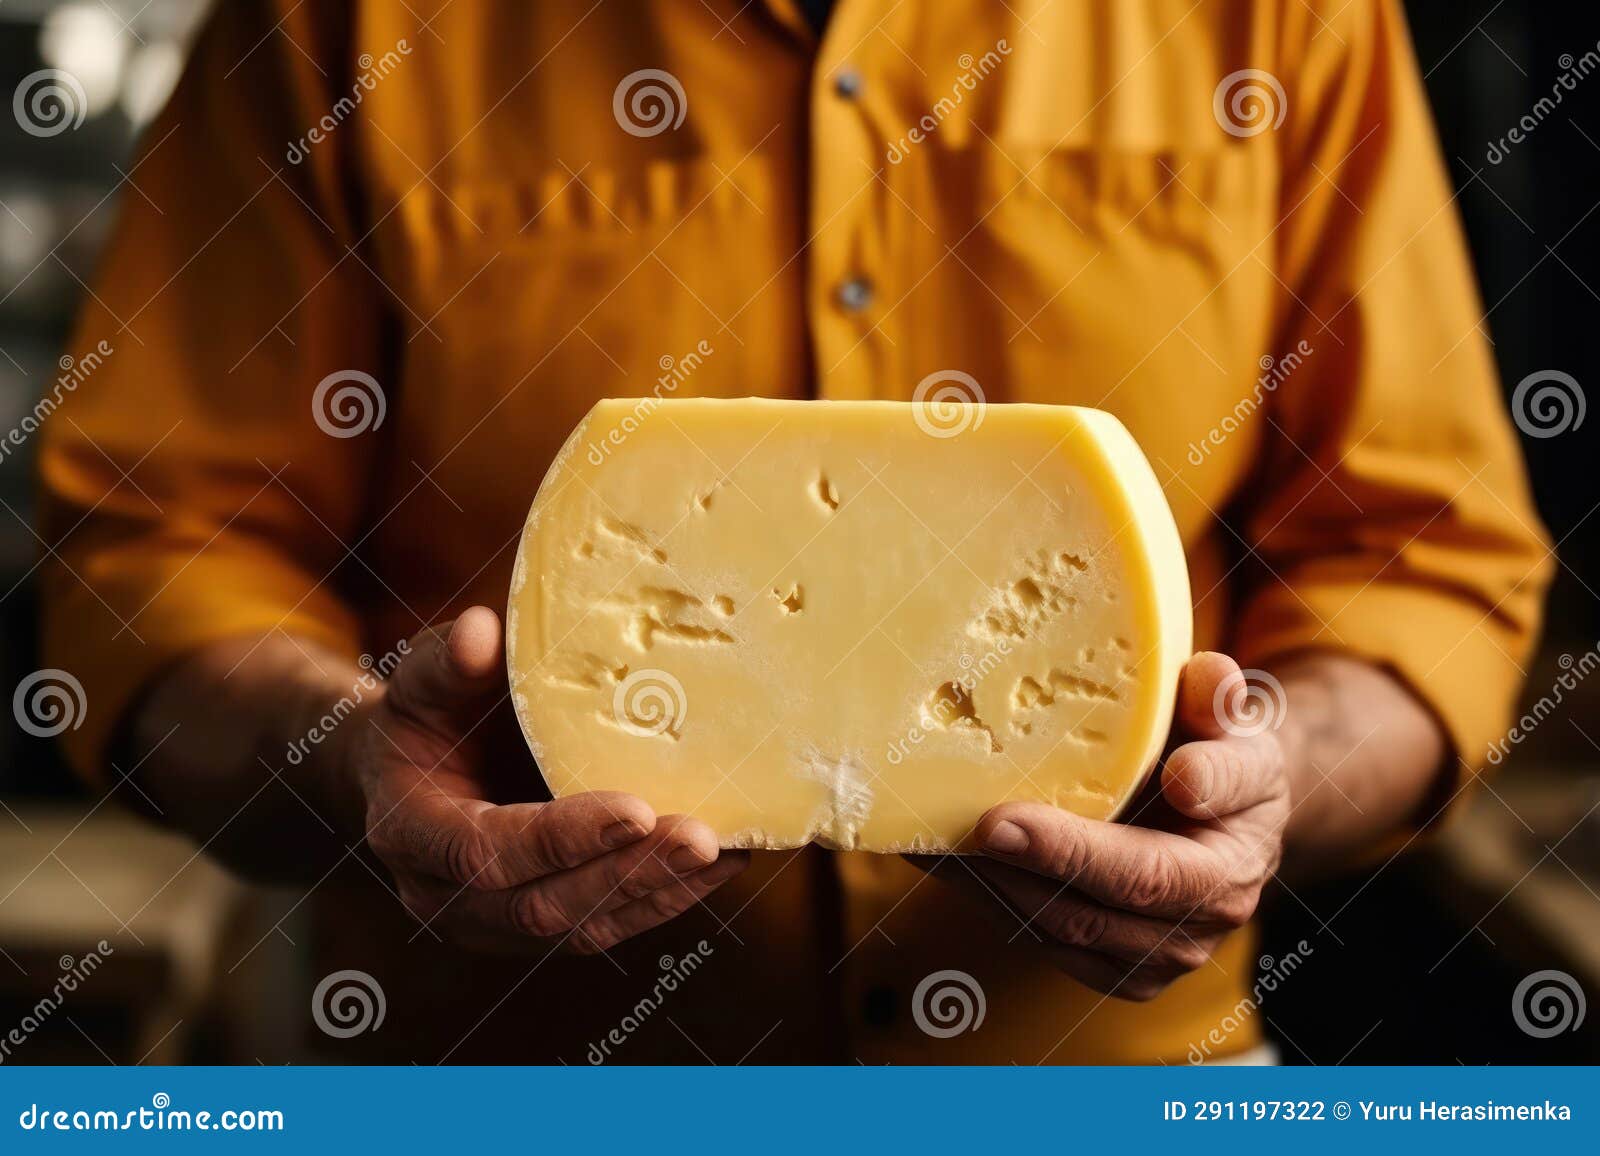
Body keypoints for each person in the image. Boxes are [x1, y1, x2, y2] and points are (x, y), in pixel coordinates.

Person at [39, 0, 1550, 1063]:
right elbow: (154, 564)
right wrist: (352, 752)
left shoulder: (1277, 16)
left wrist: (1274, 771)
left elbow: (1421, 557)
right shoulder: (336, 20)